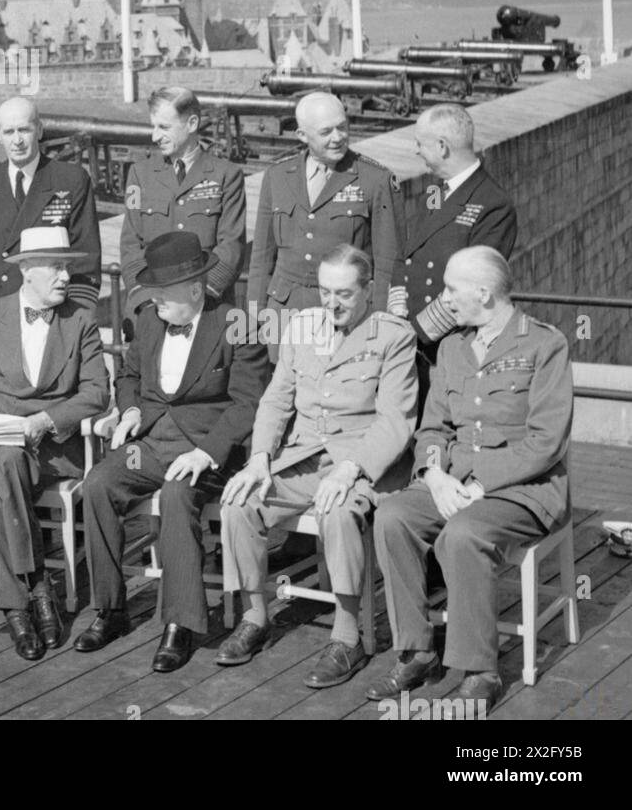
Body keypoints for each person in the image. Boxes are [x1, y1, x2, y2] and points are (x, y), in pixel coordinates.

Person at [368, 247, 572, 715]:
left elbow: (546, 442)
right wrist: (433, 475)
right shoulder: (452, 348)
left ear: (483, 292)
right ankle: (417, 651)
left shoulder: (544, 344)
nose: (443, 299)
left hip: (523, 490)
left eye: (451, 289)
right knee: (393, 516)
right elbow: (433, 429)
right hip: (454, 481)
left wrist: (480, 485)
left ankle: (480, 671)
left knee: (463, 534)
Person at [220, 246, 417, 689]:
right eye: (325, 292)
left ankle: (347, 635)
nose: (332, 303)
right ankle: (255, 617)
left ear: (368, 290)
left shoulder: (392, 336)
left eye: (344, 294)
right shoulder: (302, 326)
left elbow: (395, 421)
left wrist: (351, 469)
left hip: (361, 462)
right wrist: (259, 458)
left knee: (338, 511)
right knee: (239, 501)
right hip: (304, 456)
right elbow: (277, 398)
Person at [75, 232, 269, 674]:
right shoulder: (148, 320)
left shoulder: (238, 324)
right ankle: (110, 608)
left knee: (177, 494)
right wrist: (129, 411)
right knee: (98, 483)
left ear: (196, 289)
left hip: (205, 449)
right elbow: (128, 376)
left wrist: (206, 453)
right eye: (153, 288)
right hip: (151, 443)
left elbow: (247, 404)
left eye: (164, 290)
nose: (154, 297)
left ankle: (180, 624)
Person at [0, 226, 109, 662]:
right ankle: (35, 591)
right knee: (1, 466)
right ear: (27, 270)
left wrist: (46, 419)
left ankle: (16, 603)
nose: (65, 276)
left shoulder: (81, 320)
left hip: (53, 448)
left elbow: (96, 392)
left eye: (67, 267)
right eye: (55, 267)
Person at [248, 91, 403, 337]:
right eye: (326, 132)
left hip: (346, 314)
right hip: (285, 313)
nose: (338, 137)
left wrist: (378, 323)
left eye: (342, 127)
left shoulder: (375, 179)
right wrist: (254, 317)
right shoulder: (277, 176)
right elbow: (262, 256)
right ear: (302, 135)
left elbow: (387, 263)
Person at [388, 105, 518, 396]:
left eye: (420, 144)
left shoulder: (494, 205)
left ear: (442, 146)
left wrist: (417, 333)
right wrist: (397, 317)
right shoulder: (436, 192)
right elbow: (407, 255)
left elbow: (473, 285)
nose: (416, 151)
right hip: (410, 348)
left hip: (444, 352)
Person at [0, 95, 101, 317]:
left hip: (57, 312)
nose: (17, 140)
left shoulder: (70, 180)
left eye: (24, 130)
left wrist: (79, 314)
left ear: (39, 130)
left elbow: (86, 255)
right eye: (9, 132)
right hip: (0, 310)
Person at [119, 85, 246, 309]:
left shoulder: (227, 176)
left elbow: (231, 246)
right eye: (153, 127)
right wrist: (146, 300)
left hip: (207, 306)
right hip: (152, 306)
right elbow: (130, 244)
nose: (155, 136)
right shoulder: (138, 175)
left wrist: (196, 299)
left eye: (164, 127)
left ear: (192, 124)